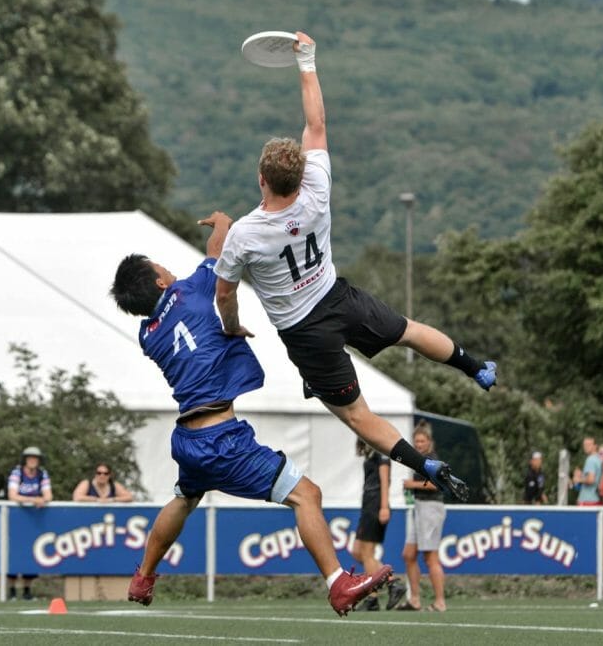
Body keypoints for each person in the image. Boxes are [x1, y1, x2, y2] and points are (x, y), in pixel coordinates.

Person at [211, 31, 495, 503]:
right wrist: (307, 60)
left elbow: (225, 294)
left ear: (260, 179)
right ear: (299, 174)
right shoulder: (317, 191)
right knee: (407, 329)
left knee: (357, 415)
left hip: (306, 333)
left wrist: (234, 327)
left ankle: (424, 465)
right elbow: (316, 125)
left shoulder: (244, 233)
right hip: (339, 297)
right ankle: (476, 367)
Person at [110, 213, 392, 616]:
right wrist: (224, 224)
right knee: (306, 495)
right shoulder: (192, 290)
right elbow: (220, 257)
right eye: (160, 266)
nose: (166, 267)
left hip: (188, 439)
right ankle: (338, 584)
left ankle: (144, 576)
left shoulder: (148, 335)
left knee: (185, 497)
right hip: (221, 441)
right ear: (159, 280)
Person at [395, 421, 449, 612]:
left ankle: (440, 602)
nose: (418, 444)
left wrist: (412, 485)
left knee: (430, 557)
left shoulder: (433, 460)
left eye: (422, 441)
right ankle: (415, 600)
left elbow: (439, 485)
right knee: (408, 555)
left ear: (429, 442)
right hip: (418, 507)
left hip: (431, 508)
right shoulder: (419, 460)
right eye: (416, 441)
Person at [351, 439, 406, 611]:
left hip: (375, 504)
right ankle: (391, 582)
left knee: (367, 554)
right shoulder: (371, 452)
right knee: (357, 552)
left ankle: (373, 598)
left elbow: (384, 482)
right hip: (368, 504)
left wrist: (384, 506)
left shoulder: (382, 454)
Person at [7, 446, 52, 600]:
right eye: (30, 457)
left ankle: (27, 590)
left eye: (35, 458)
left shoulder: (42, 474)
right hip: (15, 519)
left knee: (30, 553)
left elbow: (48, 495)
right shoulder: (17, 473)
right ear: (25, 459)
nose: (33, 460)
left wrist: (42, 499)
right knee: (12, 553)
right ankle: (11, 591)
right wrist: (34, 500)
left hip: (33, 520)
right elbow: (12, 495)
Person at [571, 437, 602, 506]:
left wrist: (578, 479)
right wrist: (582, 475)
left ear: (595, 446)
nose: (586, 447)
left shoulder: (590, 459)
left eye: (588, 445)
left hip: (587, 501)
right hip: (595, 499)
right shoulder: (598, 459)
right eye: (584, 445)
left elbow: (591, 480)